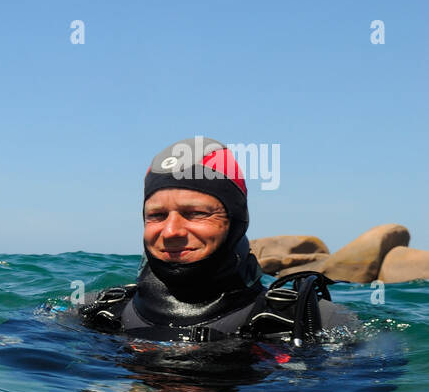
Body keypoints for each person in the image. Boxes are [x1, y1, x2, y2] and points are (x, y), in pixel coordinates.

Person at [79, 136, 356, 344]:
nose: (171, 230)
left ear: (235, 221)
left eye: (196, 213)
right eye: (157, 215)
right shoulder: (94, 315)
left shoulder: (314, 323)